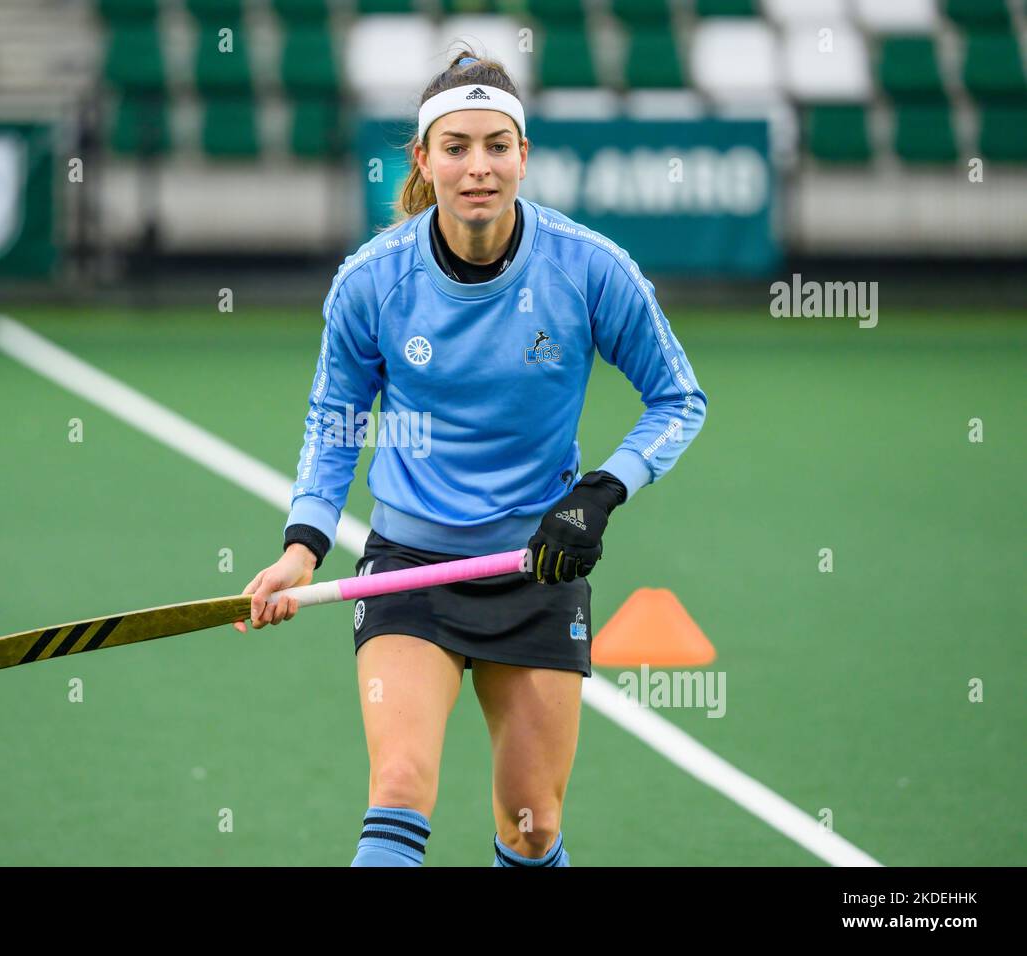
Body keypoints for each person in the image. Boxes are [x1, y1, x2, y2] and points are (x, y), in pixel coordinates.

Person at [233, 49, 707, 867]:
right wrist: (302, 547)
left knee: (533, 825)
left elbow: (678, 398)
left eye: (496, 145)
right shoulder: (373, 281)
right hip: (408, 568)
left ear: (525, 154)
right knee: (400, 784)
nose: (478, 167)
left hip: (536, 567)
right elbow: (335, 419)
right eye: (456, 147)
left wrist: (598, 492)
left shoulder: (588, 268)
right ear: (423, 159)